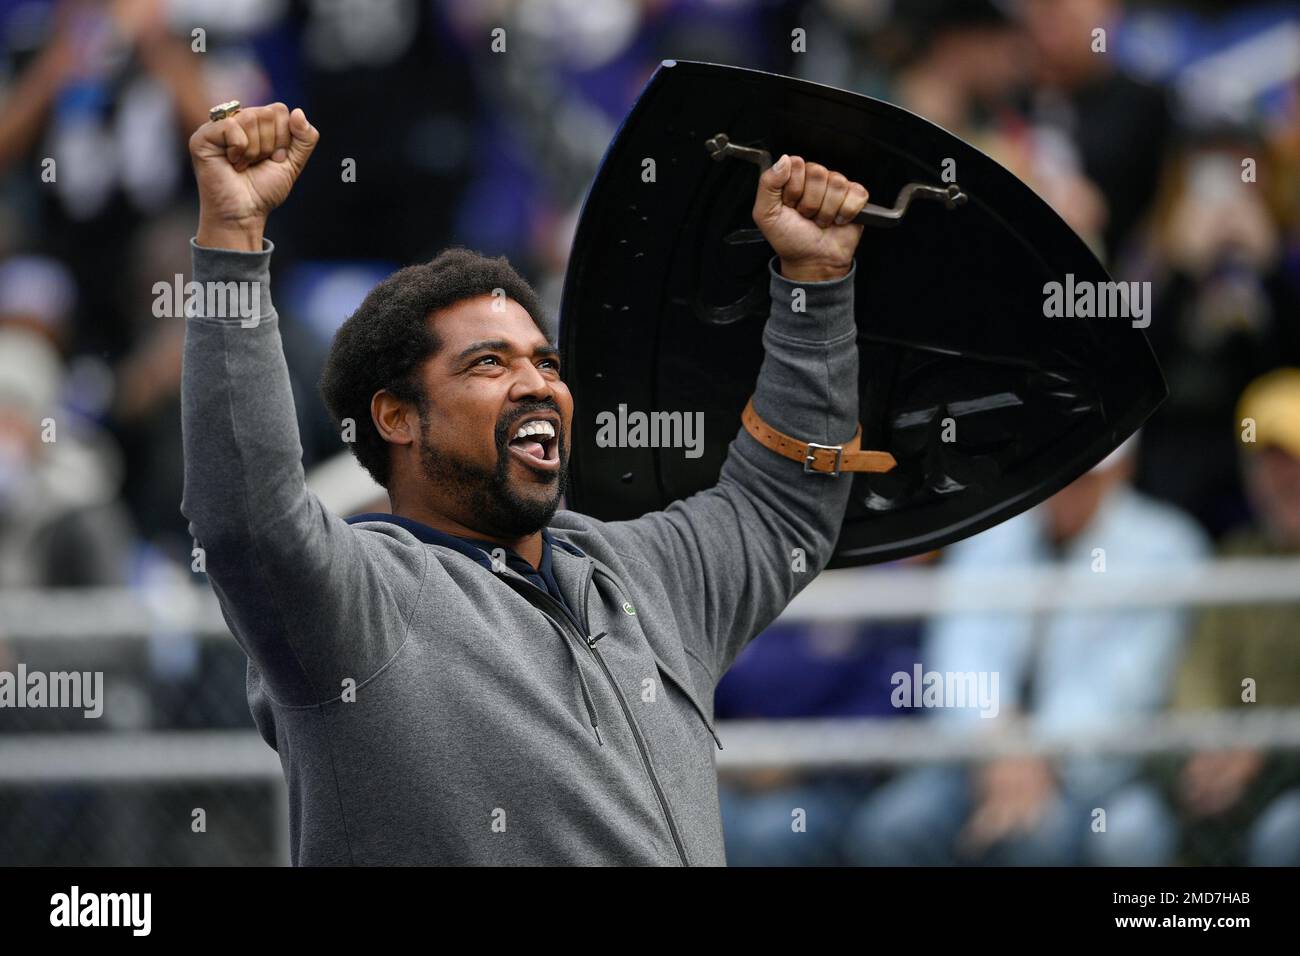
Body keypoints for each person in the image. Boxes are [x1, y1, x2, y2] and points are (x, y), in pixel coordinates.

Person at [182, 101, 871, 864]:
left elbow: (783, 511)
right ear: (397, 418)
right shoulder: (354, 602)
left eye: (545, 362)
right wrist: (234, 241)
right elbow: (246, 514)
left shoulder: (643, 575)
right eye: (488, 363)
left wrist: (814, 282)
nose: (537, 384)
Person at [843, 440, 1209, 865]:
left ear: (1121, 471)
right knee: (893, 830)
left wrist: (1036, 754)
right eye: (1059, 472)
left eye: (1084, 476)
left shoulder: (1167, 546)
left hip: (1098, 769)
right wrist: (996, 743)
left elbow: (1130, 683)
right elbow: (959, 648)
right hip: (980, 756)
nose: (1066, 488)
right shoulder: (993, 529)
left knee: (1045, 840)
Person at [1153, 368, 1300, 865]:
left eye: (1296, 459)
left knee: (1286, 835)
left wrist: (1261, 754)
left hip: (1283, 777)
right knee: (1131, 829)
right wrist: (1208, 748)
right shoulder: (1237, 557)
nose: (1285, 477)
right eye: (1270, 460)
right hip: (1222, 773)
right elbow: (1198, 670)